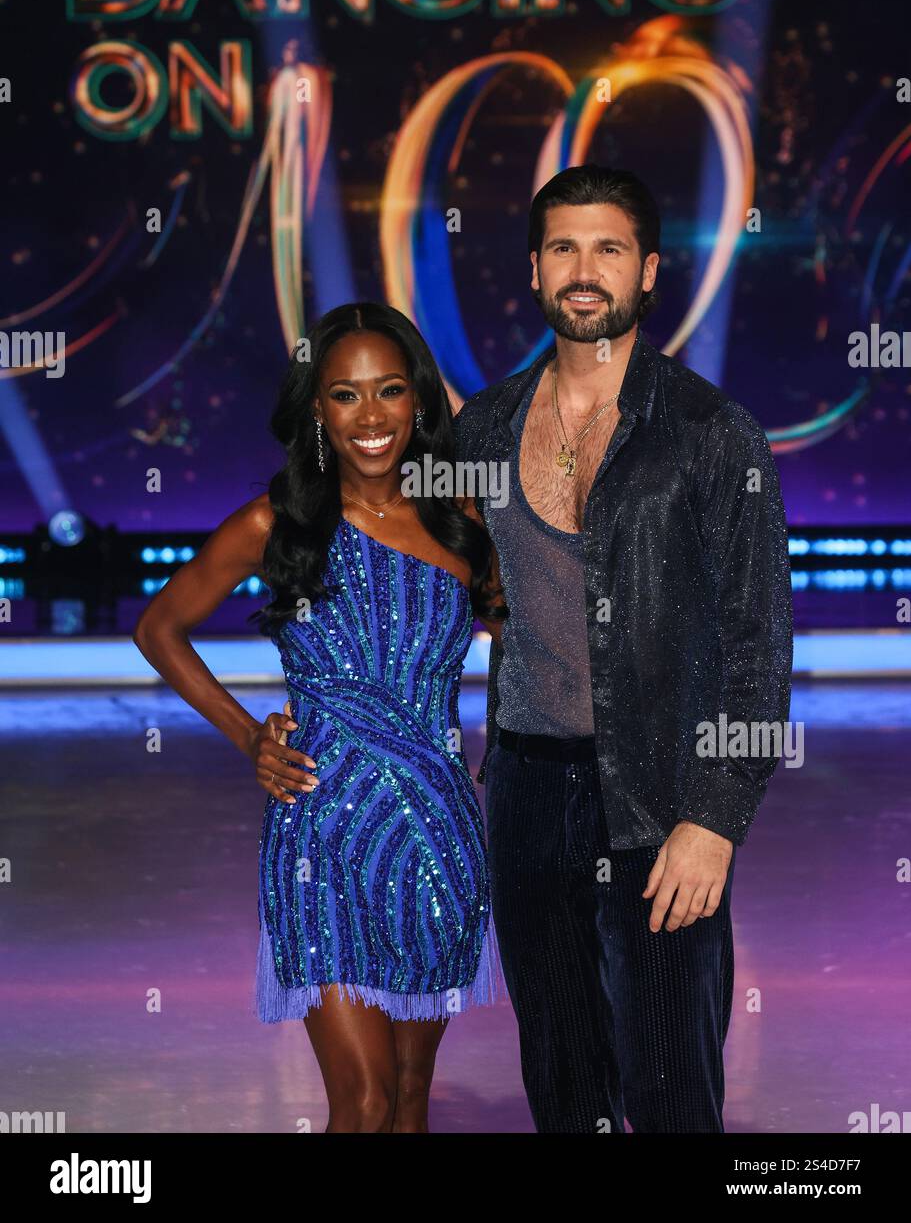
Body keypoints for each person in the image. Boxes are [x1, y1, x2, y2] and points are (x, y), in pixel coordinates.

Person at [453, 163, 793, 1133]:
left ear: (647, 271)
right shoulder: (482, 426)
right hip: (525, 789)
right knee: (561, 1077)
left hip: (659, 796)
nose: (583, 268)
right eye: (562, 246)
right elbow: (447, 593)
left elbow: (755, 645)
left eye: (607, 247)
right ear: (531, 270)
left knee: (666, 1083)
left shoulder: (710, 433)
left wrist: (714, 819)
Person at [133, 302, 508, 1133]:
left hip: (437, 841)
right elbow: (158, 628)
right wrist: (246, 737)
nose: (370, 416)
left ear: (418, 403)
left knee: (410, 1101)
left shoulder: (463, 524)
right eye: (345, 394)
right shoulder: (276, 524)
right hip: (320, 833)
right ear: (316, 409)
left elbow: (524, 641)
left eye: (389, 391)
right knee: (364, 1104)